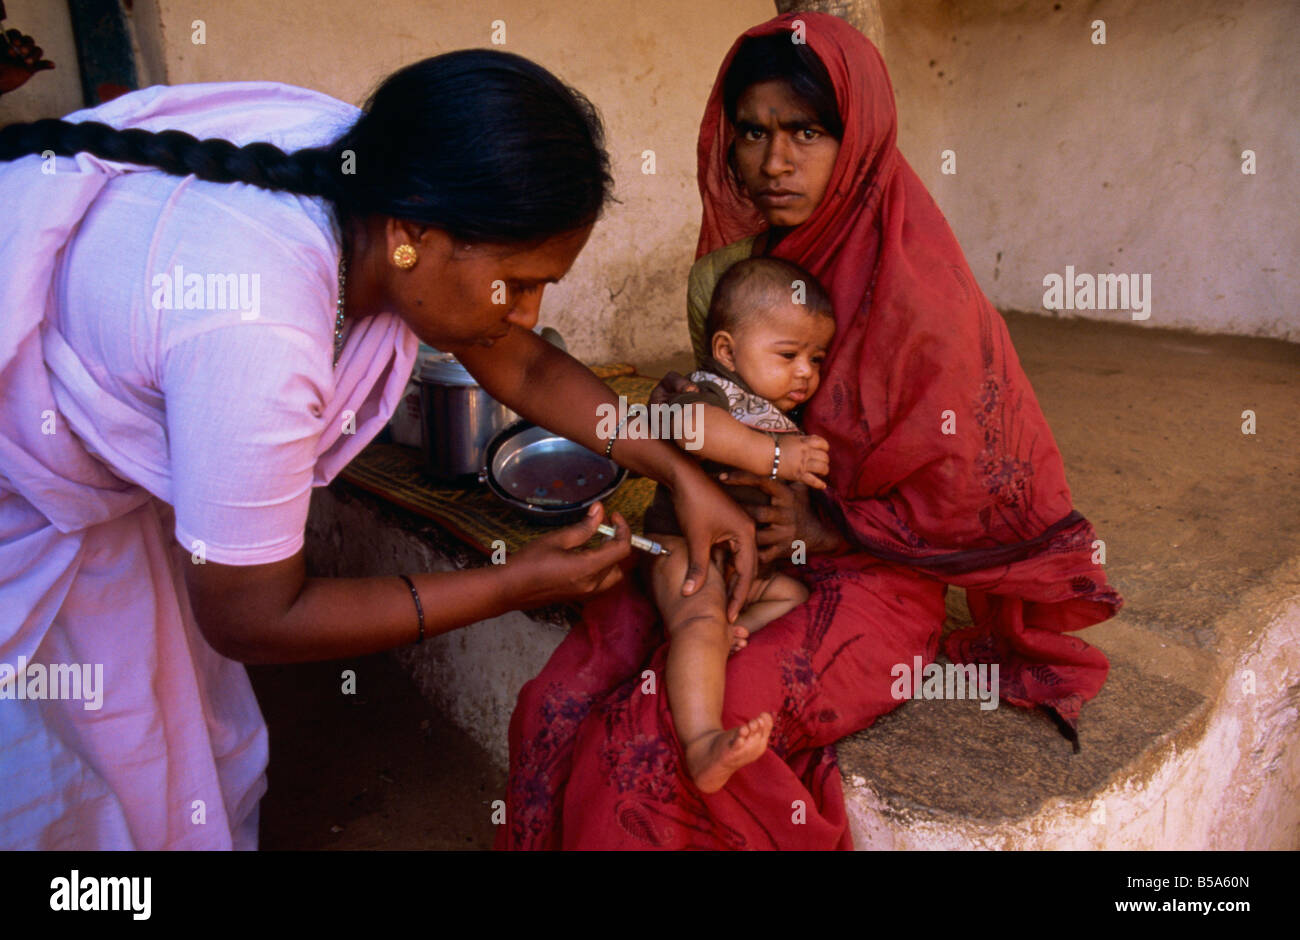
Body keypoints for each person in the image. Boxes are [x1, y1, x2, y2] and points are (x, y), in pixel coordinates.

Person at [0, 50, 757, 849]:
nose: (530, 313)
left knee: (150, 740)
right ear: (409, 237)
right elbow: (254, 615)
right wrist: (511, 583)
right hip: (22, 489)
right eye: (519, 282)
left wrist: (672, 466)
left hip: (89, 466)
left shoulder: (376, 172)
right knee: (56, 784)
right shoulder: (253, 329)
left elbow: (522, 360)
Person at [498, 13, 1122, 850]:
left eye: (807, 132)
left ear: (858, 136)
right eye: (751, 132)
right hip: (740, 546)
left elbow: (977, 488)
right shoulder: (754, 266)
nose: (771, 162)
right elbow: (717, 411)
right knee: (564, 698)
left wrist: (825, 524)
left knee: (655, 740)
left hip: (879, 575)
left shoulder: (919, 294)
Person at [641, 256, 835, 793]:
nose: (806, 372)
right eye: (789, 354)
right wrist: (777, 458)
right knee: (700, 616)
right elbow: (692, 430)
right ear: (727, 350)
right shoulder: (712, 390)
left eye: (816, 358)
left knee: (792, 597)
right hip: (684, 548)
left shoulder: (779, 410)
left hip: (743, 566)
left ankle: (725, 632)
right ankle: (703, 740)